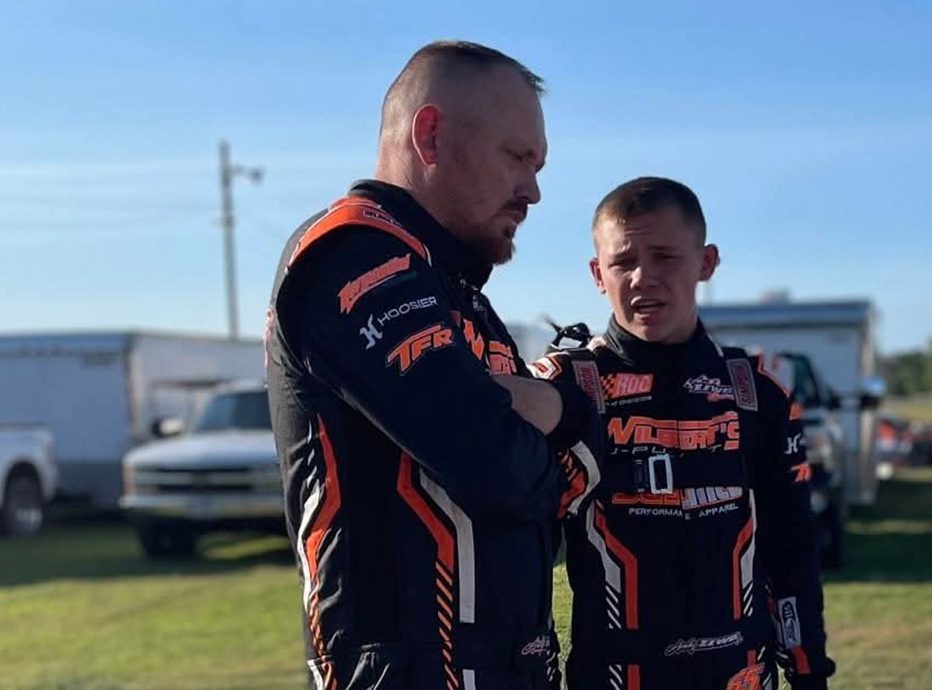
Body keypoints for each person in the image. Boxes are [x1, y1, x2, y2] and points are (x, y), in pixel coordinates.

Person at [265, 41, 602, 690]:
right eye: (517, 158)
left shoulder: (461, 299)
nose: (533, 191)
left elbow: (550, 511)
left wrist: (556, 414)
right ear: (430, 135)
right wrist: (556, 411)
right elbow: (500, 469)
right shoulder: (350, 253)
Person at [530, 177, 835, 690]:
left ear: (707, 262)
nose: (643, 278)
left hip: (741, 674)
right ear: (596, 274)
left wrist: (808, 672)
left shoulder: (759, 391)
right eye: (623, 262)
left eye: (665, 256)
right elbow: (517, 556)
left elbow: (793, 547)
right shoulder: (564, 387)